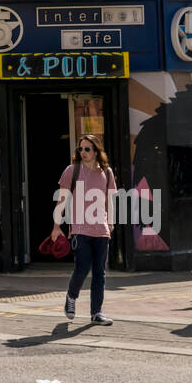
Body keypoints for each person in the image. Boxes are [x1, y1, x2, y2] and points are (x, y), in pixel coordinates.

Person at [50, 133, 116, 325]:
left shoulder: (107, 172)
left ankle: (97, 312)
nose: (83, 152)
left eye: (87, 149)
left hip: (101, 230)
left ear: (96, 150)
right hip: (80, 229)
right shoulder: (72, 170)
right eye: (81, 149)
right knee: (82, 268)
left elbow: (109, 202)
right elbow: (61, 200)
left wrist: (110, 225)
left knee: (100, 273)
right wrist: (56, 226)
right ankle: (71, 298)